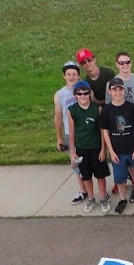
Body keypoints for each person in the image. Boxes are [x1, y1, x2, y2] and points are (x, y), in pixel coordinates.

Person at [99, 77, 134, 215]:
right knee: (120, 178)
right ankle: (122, 200)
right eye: (114, 90)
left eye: (120, 89)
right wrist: (111, 151)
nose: (117, 92)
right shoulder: (106, 110)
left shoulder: (131, 107)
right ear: (110, 91)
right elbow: (105, 132)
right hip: (117, 151)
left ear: (124, 90)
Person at [67, 82, 110, 211]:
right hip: (81, 148)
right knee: (86, 176)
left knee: (100, 175)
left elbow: (102, 131)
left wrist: (103, 149)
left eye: (85, 93)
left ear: (89, 93)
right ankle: (91, 198)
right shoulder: (72, 110)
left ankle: (103, 197)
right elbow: (72, 132)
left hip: (96, 146)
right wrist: (73, 152)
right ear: (75, 95)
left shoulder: (97, 108)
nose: (83, 96)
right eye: (79, 94)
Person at [52, 60, 86, 205]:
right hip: (70, 133)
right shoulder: (60, 94)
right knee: (75, 163)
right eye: (68, 74)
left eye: (74, 74)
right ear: (64, 76)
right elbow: (58, 116)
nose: (72, 77)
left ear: (79, 76)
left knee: (91, 162)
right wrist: (59, 137)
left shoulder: (84, 90)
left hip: (86, 132)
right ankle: (83, 190)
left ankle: (96, 191)